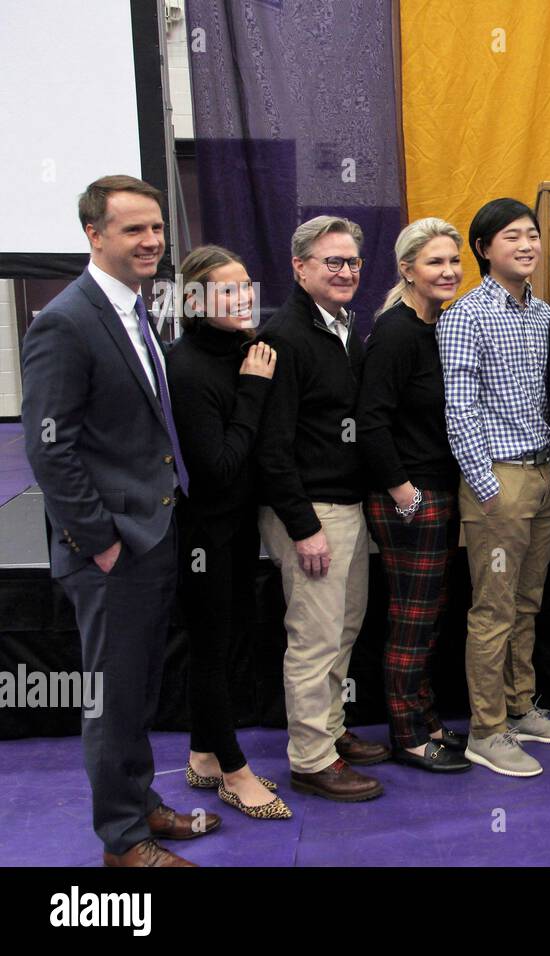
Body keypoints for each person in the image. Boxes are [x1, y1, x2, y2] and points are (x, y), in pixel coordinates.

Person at [21, 175, 219, 865]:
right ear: (94, 235)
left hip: (153, 534)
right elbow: (49, 447)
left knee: (137, 691)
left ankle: (141, 806)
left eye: (158, 227)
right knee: (112, 700)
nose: (152, 241)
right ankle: (124, 840)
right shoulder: (66, 322)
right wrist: (99, 542)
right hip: (111, 549)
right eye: (134, 229)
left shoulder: (136, 311)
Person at [438, 199, 550, 777]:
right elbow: (460, 409)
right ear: (484, 249)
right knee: (493, 610)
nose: (527, 244)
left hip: (547, 475)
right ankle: (487, 729)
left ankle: (520, 708)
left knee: (528, 602)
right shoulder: (465, 315)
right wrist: (487, 486)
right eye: (512, 236)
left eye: (533, 235)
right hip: (500, 480)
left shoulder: (545, 314)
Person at [256, 216, 387, 801]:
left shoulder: (341, 327)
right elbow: (271, 446)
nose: (345, 271)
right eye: (332, 262)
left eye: (353, 262)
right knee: (313, 639)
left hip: (347, 507)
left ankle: (330, 734)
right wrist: (303, 527)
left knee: (342, 630)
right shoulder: (284, 336)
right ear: (300, 268)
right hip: (311, 514)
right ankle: (310, 759)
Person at [168, 245, 292, 819]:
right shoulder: (189, 367)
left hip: (237, 527)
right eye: (227, 289)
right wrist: (254, 389)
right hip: (203, 535)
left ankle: (202, 753)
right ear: (194, 300)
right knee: (213, 649)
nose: (243, 297)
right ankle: (235, 771)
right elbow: (217, 469)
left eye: (246, 285)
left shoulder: (246, 351)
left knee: (229, 640)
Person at [357, 218, 471, 775]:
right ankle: (408, 736)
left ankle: (423, 721)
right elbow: (370, 422)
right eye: (435, 262)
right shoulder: (397, 332)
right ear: (407, 269)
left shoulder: (438, 325)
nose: (448, 271)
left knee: (426, 618)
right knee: (411, 618)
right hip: (409, 495)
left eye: (453, 261)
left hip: (434, 492)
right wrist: (405, 493)